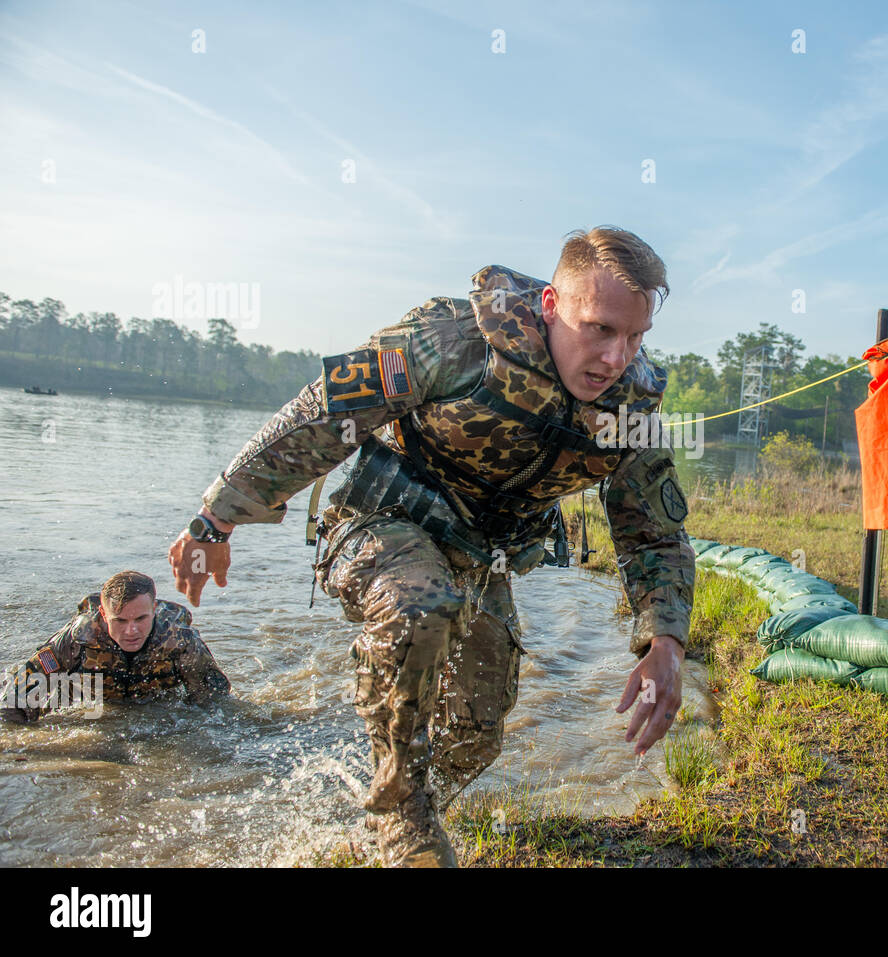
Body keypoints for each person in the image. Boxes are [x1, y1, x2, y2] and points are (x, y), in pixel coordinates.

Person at [167, 227, 695, 867]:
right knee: (422, 606)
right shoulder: (453, 342)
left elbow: (654, 531)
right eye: (601, 329)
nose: (616, 357)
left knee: (477, 728)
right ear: (553, 306)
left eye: (635, 337)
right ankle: (402, 817)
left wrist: (664, 639)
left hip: (483, 554)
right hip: (382, 521)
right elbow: (326, 410)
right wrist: (216, 519)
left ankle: (384, 823)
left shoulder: (629, 407)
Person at [1, 570, 230, 724]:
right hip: (96, 704)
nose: (131, 631)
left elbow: (213, 704)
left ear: (154, 609)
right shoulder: (77, 639)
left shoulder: (180, 641)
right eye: (120, 621)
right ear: (103, 614)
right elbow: (15, 701)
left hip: (154, 708)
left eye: (141, 619)